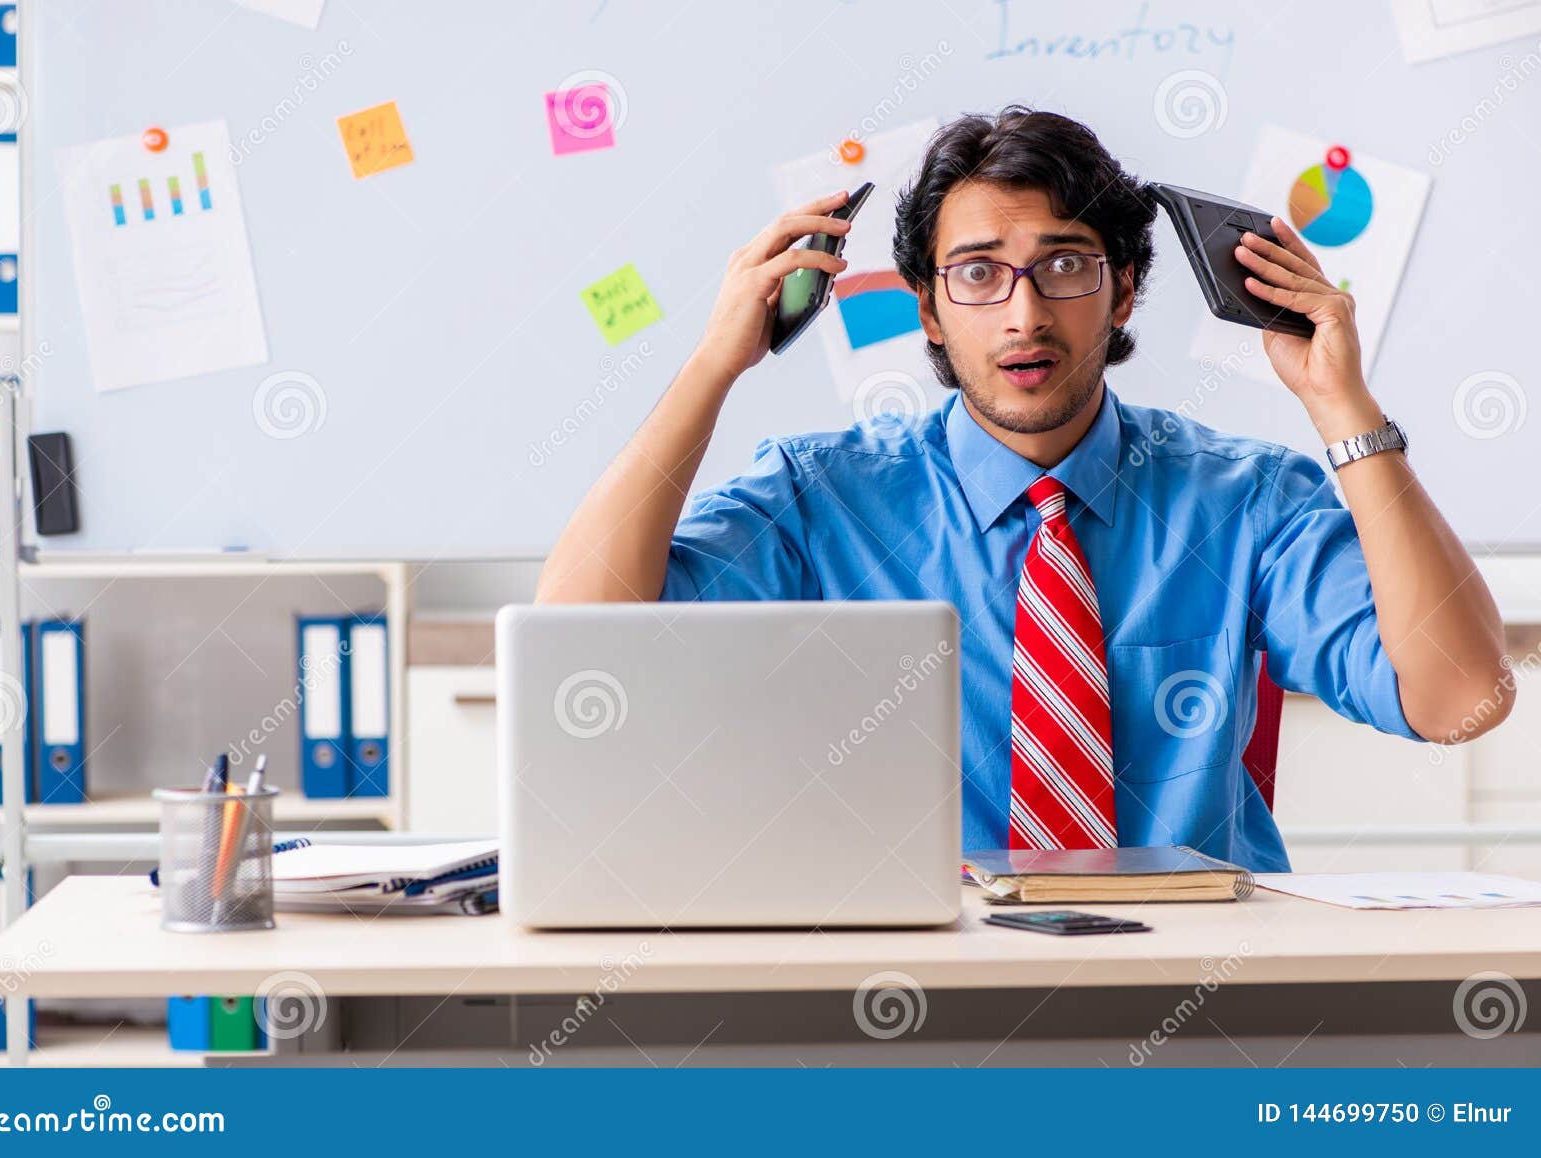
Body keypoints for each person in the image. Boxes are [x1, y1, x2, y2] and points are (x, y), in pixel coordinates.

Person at [536, 105, 1509, 872]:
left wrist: (1345, 410)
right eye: (976, 275)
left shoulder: (1243, 502)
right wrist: (713, 364)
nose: (1023, 313)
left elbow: (1461, 700)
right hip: (913, 992)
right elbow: (580, 643)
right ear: (923, 307)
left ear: (1124, 291)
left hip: (1189, 993)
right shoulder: (818, 498)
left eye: (1064, 266)